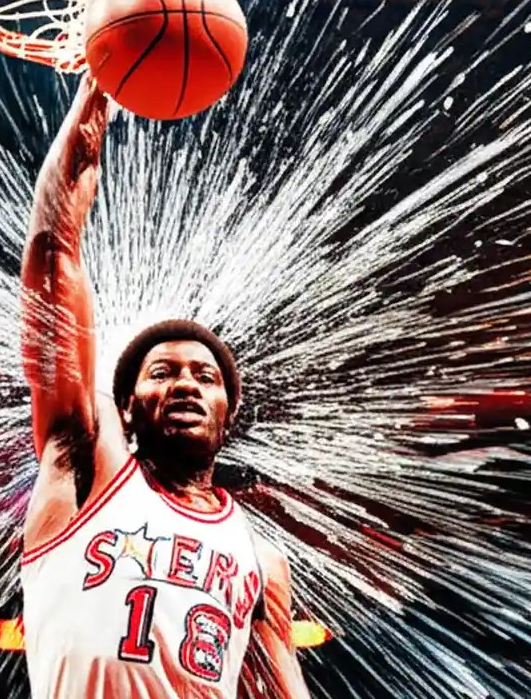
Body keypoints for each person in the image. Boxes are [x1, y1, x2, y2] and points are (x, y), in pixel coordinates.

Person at [18, 75, 311, 699]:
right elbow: (54, 252)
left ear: (226, 416)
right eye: (163, 372)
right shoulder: (85, 462)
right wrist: (97, 90)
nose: (185, 384)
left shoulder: (261, 562)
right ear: (126, 405)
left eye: (205, 377)